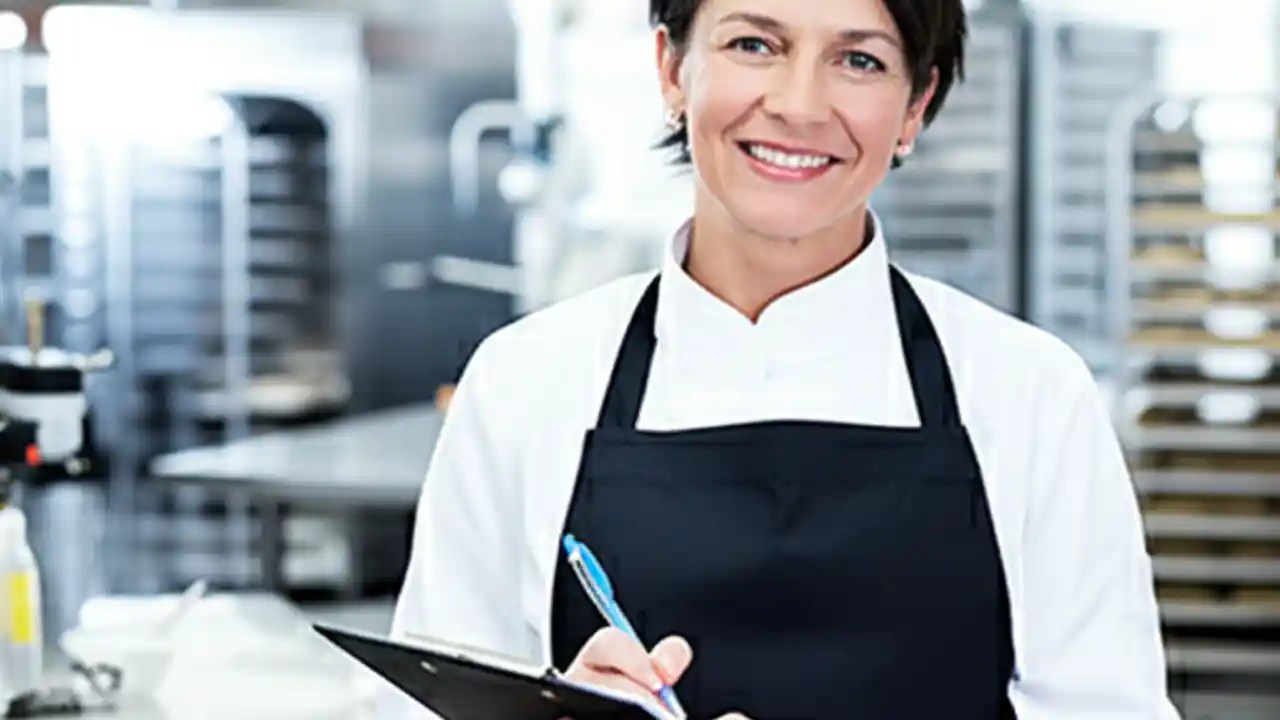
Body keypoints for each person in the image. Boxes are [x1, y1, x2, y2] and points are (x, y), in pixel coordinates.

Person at [386, 0, 1181, 717]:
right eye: (754, 44)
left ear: (915, 108)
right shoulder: (526, 381)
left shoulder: (1028, 391)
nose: (799, 104)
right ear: (672, 69)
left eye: (859, 59)